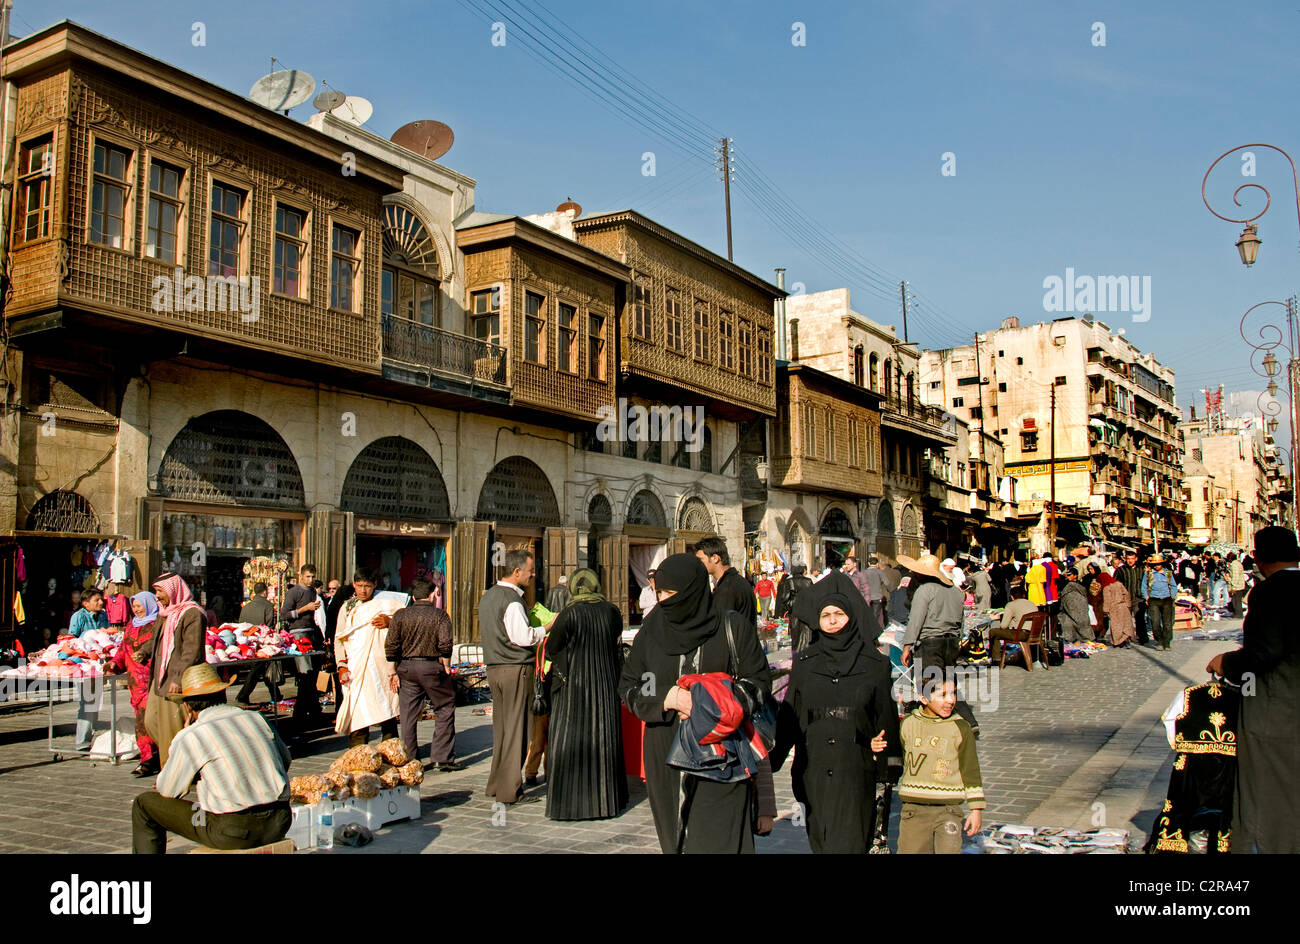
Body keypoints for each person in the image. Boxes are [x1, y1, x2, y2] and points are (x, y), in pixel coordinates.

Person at [619, 554, 771, 853]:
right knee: (674, 837)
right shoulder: (652, 631)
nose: (665, 601)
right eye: (660, 593)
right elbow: (630, 686)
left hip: (721, 751)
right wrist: (667, 697)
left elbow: (758, 683)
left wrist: (707, 702)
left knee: (716, 836)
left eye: (672, 594)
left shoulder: (731, 627)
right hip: (666, 750)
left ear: (693, 590)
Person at [772, 574, 901, 853]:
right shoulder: (806, 663)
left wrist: (889, 767)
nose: (832, 620)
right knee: (821, 840)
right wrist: (773, 757)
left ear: (851, 617)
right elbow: (791, 713)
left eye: (839, 614)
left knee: (851, 841)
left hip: (855, 770)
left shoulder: (875, 665)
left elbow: (886, 720)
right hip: (813, 769)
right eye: (826, 615)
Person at [1206, 526, 1300, 853]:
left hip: (1277, 709)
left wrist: (1225, 663)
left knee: (1270, 789)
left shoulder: (1269, 591)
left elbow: (1263, 653)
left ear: (1259, 559)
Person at [131, 664, 291, 854]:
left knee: (144, 804)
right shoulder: (256, 718)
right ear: (223, 695)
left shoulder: (191, 735)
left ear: (188, 706)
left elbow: (168, 790)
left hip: (233, 830)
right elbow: (285, 760)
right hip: (280, 821)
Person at [545, 569, 628, 820]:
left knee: (569, 740)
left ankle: (570, 804)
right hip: (604, 684)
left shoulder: (568, 614)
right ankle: (607, 801)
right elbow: (614, 640)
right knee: (604, 739)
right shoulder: (611, 612)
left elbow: (552, 648)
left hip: (573, 687)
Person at [481, 549, 546, 805]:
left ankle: (496, 783)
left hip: (494, 668)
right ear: (516, 571)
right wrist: (546, 628)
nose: (533, 574)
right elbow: (523, 637)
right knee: (518, 729)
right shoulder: (513, 600)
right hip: (515, 669)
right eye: (530, 570)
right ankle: (509, 789)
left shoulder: (488, 597)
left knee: (502, 729)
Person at [897, 676, 984, 854]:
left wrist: (976, 809)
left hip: (948, 810)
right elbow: (897, 756)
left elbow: (970, 769)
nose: (951, 700)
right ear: (924, 698)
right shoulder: (908, 725)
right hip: (914, 810)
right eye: (943, 695)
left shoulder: (960, 728)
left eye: (953, 694)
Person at [387, 577, 459, 770]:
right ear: (431, 595)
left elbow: (391, 645)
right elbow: (445, 644)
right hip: (430, 666)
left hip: (406, 667)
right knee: (444, 707)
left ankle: (410, 758)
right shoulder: (440, 616)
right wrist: (445, 664)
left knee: (408, 715)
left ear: (413, 597)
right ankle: (441, 757)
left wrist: (393, 670)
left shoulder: (400, 616)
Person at [334, 568, 406, 747]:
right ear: (354, 585)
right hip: (356, 667)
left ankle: (391, 751)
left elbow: (405, 626)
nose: (363, 590)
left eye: (367, 586)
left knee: (386, 709)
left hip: (382, 667)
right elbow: (339, 638)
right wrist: (341, 665)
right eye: (359, 586)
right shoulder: (348, 607)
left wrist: (390, 622)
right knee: (358, 708)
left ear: (374, 585)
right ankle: (358, 754)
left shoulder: (387, 604)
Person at [143, 573, 206, 765]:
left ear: (173, 590)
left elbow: (191, 651)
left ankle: (172, 773)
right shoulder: (165, 614)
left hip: (175, 680)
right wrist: (142, 652)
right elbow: (156, 641)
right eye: (156, 591)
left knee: (170, 728)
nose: (157, 596)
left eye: (160, 591)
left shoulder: (192, 614)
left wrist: (178, 678)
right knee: (151, 722)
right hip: (159, 679)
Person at [113, 591, 159, 778]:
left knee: (152, 719)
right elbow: (123, 649)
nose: (137, 609)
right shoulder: (131, 626)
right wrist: (114, 664)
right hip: (136, 683)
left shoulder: (157, 624)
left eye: (140, 605)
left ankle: (156, 757)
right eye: (134, 606)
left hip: (153, 679)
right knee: (141, 720)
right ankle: (147, 757)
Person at [898, 554, 962, 681]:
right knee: (948, 683)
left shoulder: (925, 590)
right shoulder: (956, 591)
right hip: (952, 642)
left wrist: (906, 647)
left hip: (930, 644)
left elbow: (916, 620)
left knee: (930, 686)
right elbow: (961, 620)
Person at [281, 564, 325, 730]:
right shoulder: (294, 592)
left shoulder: (312, 591)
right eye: (308, 577)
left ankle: (313, 712)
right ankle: (299, 715)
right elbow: (284, 614)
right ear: (301, 576)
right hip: (299, 634)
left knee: (312, 674)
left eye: (313, 577)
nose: (310, 580)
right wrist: (303, 609)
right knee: (306, 674)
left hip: (311, 632)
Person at [234, 582, 282, 707]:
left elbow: (240, 625)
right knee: (258, 668)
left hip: (247, 643)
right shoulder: (268, 606)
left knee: (261, 667)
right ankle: (243, 695)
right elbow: (269, 625)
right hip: (261, 642)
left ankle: (276, 693)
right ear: (265, 592)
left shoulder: (245, 607)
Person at [695, 537, 757, 631]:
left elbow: (720, 625)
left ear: (715, 558)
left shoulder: (728, 588)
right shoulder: (735, 581)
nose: (698, 564)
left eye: (701, 560)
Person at [987, 581, 1037, 660]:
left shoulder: (1011, 605)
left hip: (1021, 634)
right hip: (1035, 633)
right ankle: (996, 657)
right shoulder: (1032, 604)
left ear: (1012, 597)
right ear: (1024, 595)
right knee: (997, 634)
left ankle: (995, 658)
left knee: (993, 632)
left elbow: (1003, 626)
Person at [1142, 556, 1178, 651]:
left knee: (1167, 623)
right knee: (1155, 622)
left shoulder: (1168, 574)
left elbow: (1174, 586)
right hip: (1154, 600)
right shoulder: (1148, 574)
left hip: (1166, 599)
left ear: (1162, 564)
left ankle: (1167, 642)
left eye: (1158, 564)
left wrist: (1173, 597)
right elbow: (1143, 587)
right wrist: (1146, 597)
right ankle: (1159, 641)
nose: (1156, 566)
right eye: (1154, 565)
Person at [1115, 550, 1149, 645]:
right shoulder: (1121, 570)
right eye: (1128, 559)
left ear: (1136, 559)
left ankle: (1142, 637)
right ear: (1125, 559)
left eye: (1132, 559)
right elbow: (1116, 583)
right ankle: (1125, 637)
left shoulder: (1141, 569)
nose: (1130, 561)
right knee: (1125, 618)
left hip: (1139, 597)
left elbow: (1148, 582)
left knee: (1140, 617)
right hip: (1125, 598)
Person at [776, 564, 813, 648]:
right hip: (806, 611)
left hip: (794, 611)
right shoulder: (808, 581)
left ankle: (797, 653)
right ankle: (806, 651)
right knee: (806, 633)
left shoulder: (789, 582)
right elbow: (813, 596)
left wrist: (786, 609)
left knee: (795, 634)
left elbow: (785, 598)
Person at [1100, 572, 1135, 647]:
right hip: (1123, 606)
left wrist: (1105, 610)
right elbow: (1126, 594)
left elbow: (1107, 600)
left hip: (1114, 608)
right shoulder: (1119, 584)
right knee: (1125, 624)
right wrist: (1128, 604)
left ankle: (1118, 641)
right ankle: (1126, 639)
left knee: (1116, 625)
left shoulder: (1106, 588)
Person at [1057, 569, 1093, 643]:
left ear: (1075, 576)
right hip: (1074, 608)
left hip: (1077, 607)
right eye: (1067, 574)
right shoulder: (1067, 585)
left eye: (1070, 575)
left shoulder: (1073, 586)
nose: (1067, 576)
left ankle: (1084, 637)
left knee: (1079, 621)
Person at [1225, 552, 1247, 618]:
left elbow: (1235, 576)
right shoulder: (1238, 563)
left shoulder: (1234, 565)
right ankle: (1238, 613)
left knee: (1236, 601)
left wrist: (1233, 586)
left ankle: (1238, 614)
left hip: (1237, 585)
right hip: (1240, 584)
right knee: (1237, 600)